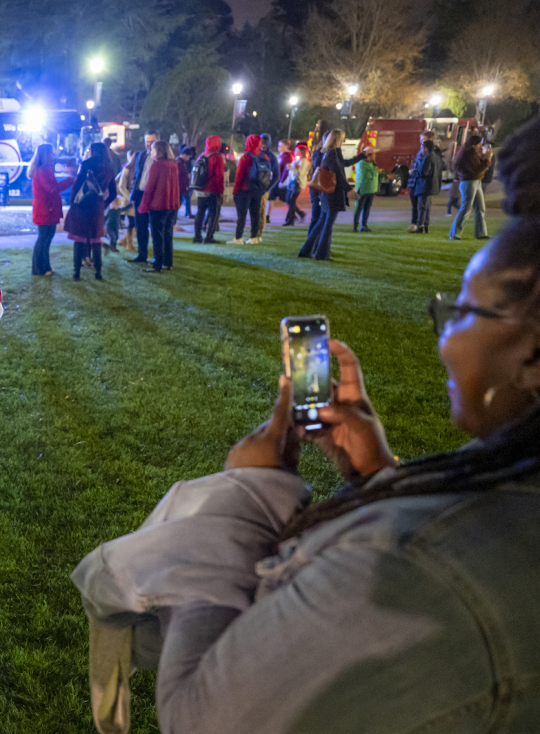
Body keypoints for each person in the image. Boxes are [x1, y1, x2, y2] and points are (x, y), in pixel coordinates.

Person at [78, 116, 540, 733]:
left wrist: (246, 495)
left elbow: (201, 718)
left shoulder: (424, 575)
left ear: (531, 354)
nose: (445, 337)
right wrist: (375, 476)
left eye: (461, 310)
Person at [298, 129, 364, 261]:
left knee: (322, 222)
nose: (343, 141)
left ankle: (306, 250)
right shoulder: (332, 154)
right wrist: (348, 189)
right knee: (327, 225)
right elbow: (338, 174)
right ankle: (321, 254)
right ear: (337, 140)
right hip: (332, 193)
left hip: (325, 193)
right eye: (342, 138)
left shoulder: (325, 153)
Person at [64, 142, 117, 281]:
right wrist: (103, 204)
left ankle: (76, 273)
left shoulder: (86, 164)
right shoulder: (109, 168)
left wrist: (73, 203)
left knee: (79, 240)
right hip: (97, 207)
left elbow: (77, 186)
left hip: (82, 205)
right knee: (96, 240)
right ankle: (98, 272)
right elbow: (113, 193)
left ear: (93, 151)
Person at [28, 143, 75, 276]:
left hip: (47, 208)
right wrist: (70, 181)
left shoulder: (44, 169)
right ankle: (39, 268)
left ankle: (45, 267)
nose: (53, 155)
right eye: (51, 153)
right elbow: (52, 188)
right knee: (44, 238)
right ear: (45, 154)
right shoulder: (42, 171)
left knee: (46, 238)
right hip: (45, 208)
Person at [138, 140, 180, 273]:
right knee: (168, 234)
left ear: (158, 151)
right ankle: (167, 262)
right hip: (171, 204)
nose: (150, 152)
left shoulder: (156, 166)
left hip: (158, 205)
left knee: (157, 235)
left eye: (152, 149)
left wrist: (144, 204)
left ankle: (157, 263)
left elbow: (150, 188)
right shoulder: (173, 165)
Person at [449, 134, 492, 241]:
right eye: (480, 144)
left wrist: (485, 156)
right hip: (469, 183)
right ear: (474, 145)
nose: (481, 146)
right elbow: (477, 169)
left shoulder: (473, 154)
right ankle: (455, 234)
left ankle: (481, 233)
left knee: (480, 208)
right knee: (466, 209)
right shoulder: (468, 154)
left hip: (476, 182)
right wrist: (488, 158)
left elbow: (479, 166)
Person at [128, 129, 160, 264]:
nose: (149, 144)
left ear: (158, 141)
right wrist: (133, 193)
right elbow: (136, 174)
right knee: (140, 226)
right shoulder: (141, 155)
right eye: (147, 141)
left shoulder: (161, 158)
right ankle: (142, 255)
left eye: (152, 142)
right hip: (140, 194)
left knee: (155, 227)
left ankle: (158, 258)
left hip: (154, 196)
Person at [230, 134, 267, 245]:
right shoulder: (264, 157)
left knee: (242, 215)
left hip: (244, 190)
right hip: (258, 190)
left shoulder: (245, 157)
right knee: (255, 214)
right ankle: (254, 237)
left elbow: (239, 176)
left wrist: (235, 190)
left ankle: (238, 238)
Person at [192, 136, 225, 244]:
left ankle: (197, 237)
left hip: (200, 190)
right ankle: (209, 237)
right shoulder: (218, 157)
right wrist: (221, 191)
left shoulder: (202, 155)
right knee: (213, 214)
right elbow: (219, 176)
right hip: (212, 190)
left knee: (200, 213)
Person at [408, 131, 439, 232]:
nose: (421, 141)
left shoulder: (428, 154)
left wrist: (414, 171)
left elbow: (423, 170)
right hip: (417, 182)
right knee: (419, 205)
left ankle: (419, 225)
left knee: (422, 206)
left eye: (423, 139)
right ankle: (419, 225)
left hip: (422, 183)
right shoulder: (424, 153)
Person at [411, 138, 444, 234]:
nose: (421, 150)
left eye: (422, 148)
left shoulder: (427, 157)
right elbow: (443, 166)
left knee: (422, 206)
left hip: (424, 185)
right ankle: (426, 225)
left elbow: (424, 172)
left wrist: (416, 171)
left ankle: (420, 226)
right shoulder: (436, 157)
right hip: (432, 186)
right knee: (427, 207)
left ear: (425, 148)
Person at [254, 133, 279, 236]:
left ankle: (258, 234)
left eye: (265, 142)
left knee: (261, 211)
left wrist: (267, 188)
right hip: (254, 188)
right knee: (254, 211)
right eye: (262, 142)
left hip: (263, 189)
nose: (263, 145)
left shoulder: (272, 157)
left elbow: (277, 175)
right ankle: (254, 232)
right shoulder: (255, 154)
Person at [282, 142, 310, 226]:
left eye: (297, 149)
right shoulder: (298, 160)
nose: (295, 150)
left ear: (301, 151)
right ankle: (299, 214)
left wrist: (291, 168)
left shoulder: (304, 161)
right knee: (289, 200)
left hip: (298, 183)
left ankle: (290, 220)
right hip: (292, 183)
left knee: (291, 201)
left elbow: (300, 173)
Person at [115, 150, 138, 253]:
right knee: (132, 222)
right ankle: (129, 244)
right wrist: (130, 197)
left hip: (134, 198)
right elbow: (121, 185)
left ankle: (124, 241)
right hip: (128, 199)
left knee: (134, 222)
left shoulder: (137, 169)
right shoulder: (127, 169)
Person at [352, 147, 379, 232]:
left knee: (367, 208)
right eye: (373, 154)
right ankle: (355, 226)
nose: (375, 156)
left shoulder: (373, 163)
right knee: (359, 208)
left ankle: (364, 225)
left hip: (371, 189)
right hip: (363, 189)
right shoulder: (361, 163)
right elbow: (364, 175)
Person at [265, 138, 291, 224]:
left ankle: (293, 213)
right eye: (279, 145)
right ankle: (267, 216)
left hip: (281, 182)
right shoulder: (279, 156)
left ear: (286, 146)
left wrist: (282, 181)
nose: (279, 147)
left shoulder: (287, 156)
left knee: (285, 200)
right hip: (274, 181)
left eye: (281, 145)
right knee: (271, 199)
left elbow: (285, 170)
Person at [176, 146, 194, 218]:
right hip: (180, 186)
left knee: (185, 199)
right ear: (184, 154)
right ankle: (174, 217)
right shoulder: (179, 162)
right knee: (178, 202)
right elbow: (179, 175)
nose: (189, 158)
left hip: (183, 186)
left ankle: (188, 213)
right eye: (188, 156)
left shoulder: (183, 162)